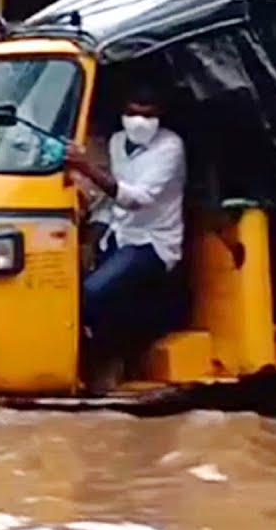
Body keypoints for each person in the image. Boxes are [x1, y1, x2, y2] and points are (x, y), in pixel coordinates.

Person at [64, 84, 186, 394]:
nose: (139, 122)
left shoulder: (170, 148)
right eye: (132, 113)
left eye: (148, 115)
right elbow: (111, 200)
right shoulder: (118, 142)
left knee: (94, 293)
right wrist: (94, 232)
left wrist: (86, 168)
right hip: (119, 235)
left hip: (154, 243)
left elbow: (137, 198)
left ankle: (112, 363)